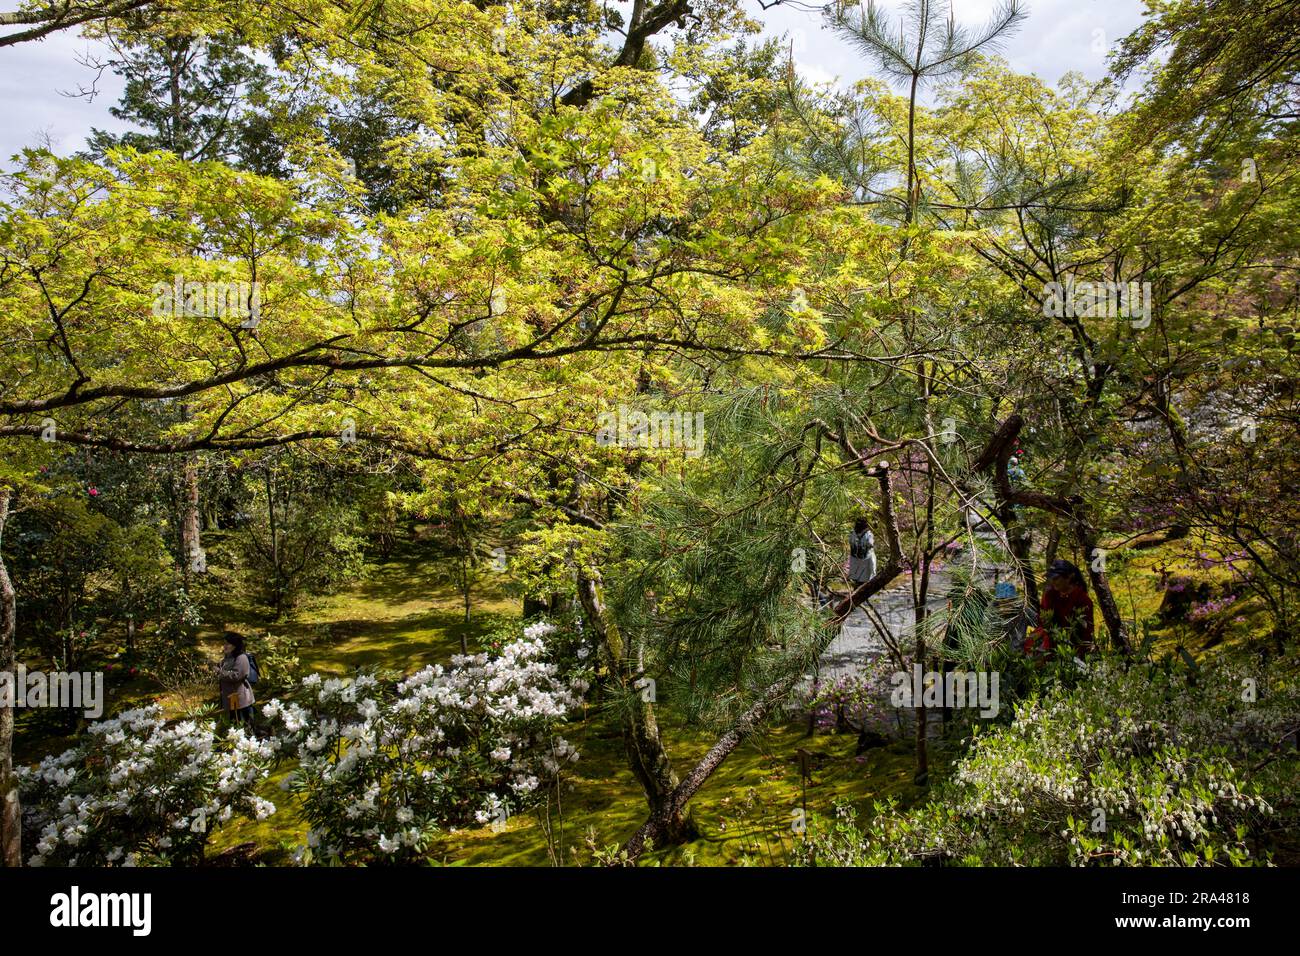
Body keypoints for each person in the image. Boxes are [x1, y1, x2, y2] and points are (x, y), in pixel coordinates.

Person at [1024, 559, 1096, 657]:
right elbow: (1042, 621)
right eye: (1051, 578)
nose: (1053, 582)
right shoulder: (1050, 595)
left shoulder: (1082, 599)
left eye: (1056, 578)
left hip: (1072, 649)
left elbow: (1086, 633)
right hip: (1050, 644)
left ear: (1069, 577)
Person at [217, 631, 255, 725]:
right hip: (231, 699)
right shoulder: (227, 658)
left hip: (241, 699)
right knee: (234, 725)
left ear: (235, 645)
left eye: (228, 643)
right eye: (224, 643)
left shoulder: (241, 658)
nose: (225, 646)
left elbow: (236, 676)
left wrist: (218, 671)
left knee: (247, 725)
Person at [848, 517, 876, 587]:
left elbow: (851, 543)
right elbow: (870, 544)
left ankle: (856, 593)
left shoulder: (852, 533)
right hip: (866, 559)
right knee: (866, 580)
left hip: (855, 559)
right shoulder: (868, 533)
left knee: (857, 580)